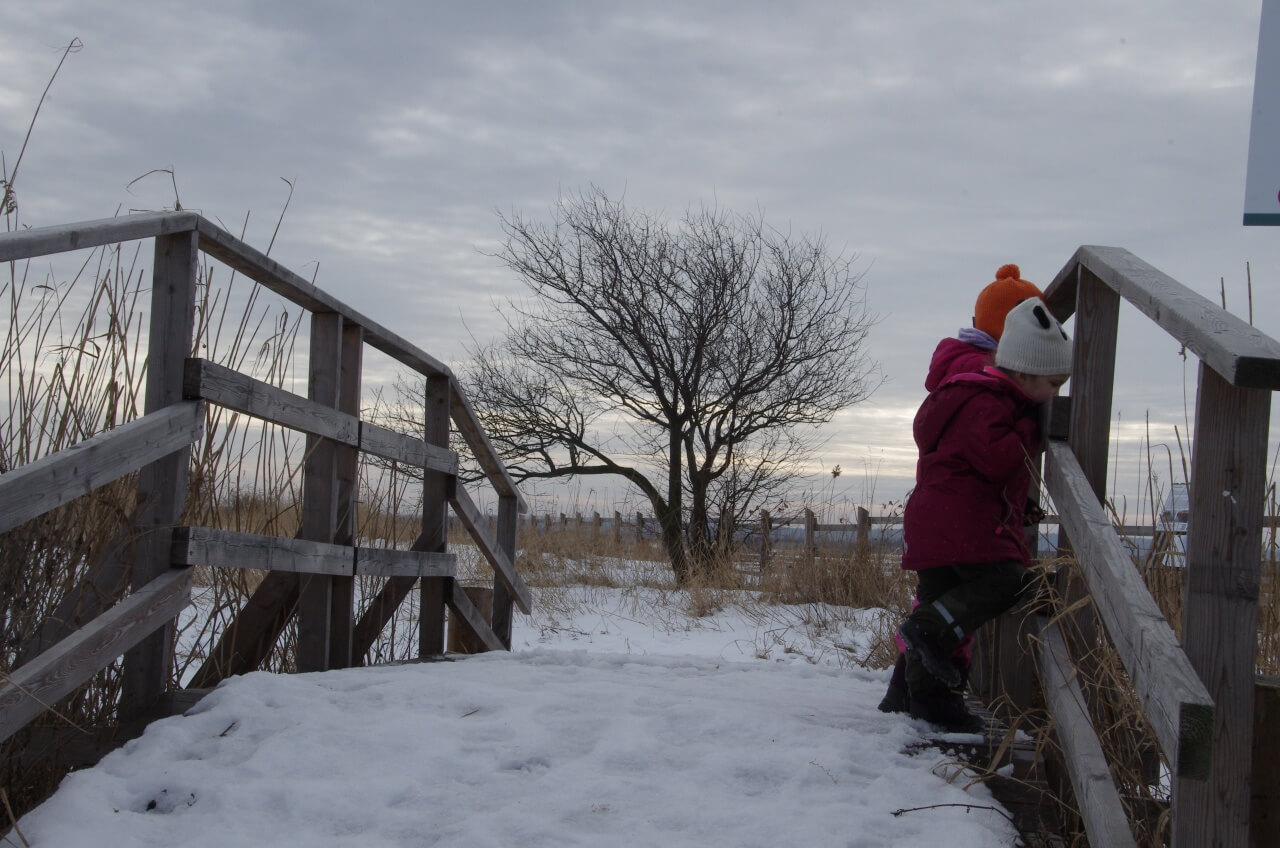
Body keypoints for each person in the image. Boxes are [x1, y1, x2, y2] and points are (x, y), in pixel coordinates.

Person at [893, 297, 1071, 732]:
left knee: (940, 599)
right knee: (1006, 581)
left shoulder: (971, 394)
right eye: (1052, 384)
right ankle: (930, 629)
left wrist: (1019, 506)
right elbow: (994, 459)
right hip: (960, 523)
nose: (1055, 394)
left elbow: (977, 469)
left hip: (938, 521)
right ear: (1025, 373)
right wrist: (1030, 432)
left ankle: (923, 700)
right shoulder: (990, 403)